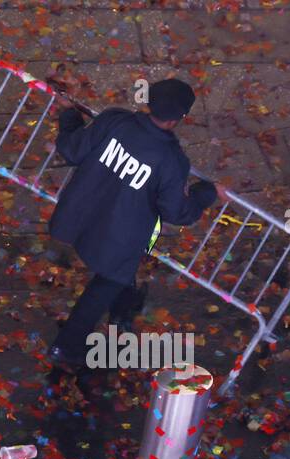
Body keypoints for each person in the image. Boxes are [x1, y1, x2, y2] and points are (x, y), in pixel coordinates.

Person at [46, 78, 219, 374]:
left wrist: (68, 114)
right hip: (119, 234)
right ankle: (68, 345)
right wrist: (208, 193)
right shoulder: (171, 160)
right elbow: (177, 212)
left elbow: (74, 150)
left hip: (82, 214)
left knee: (119, 277)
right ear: (179, 119)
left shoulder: (114, 121)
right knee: (109, 280)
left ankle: (123, 311)